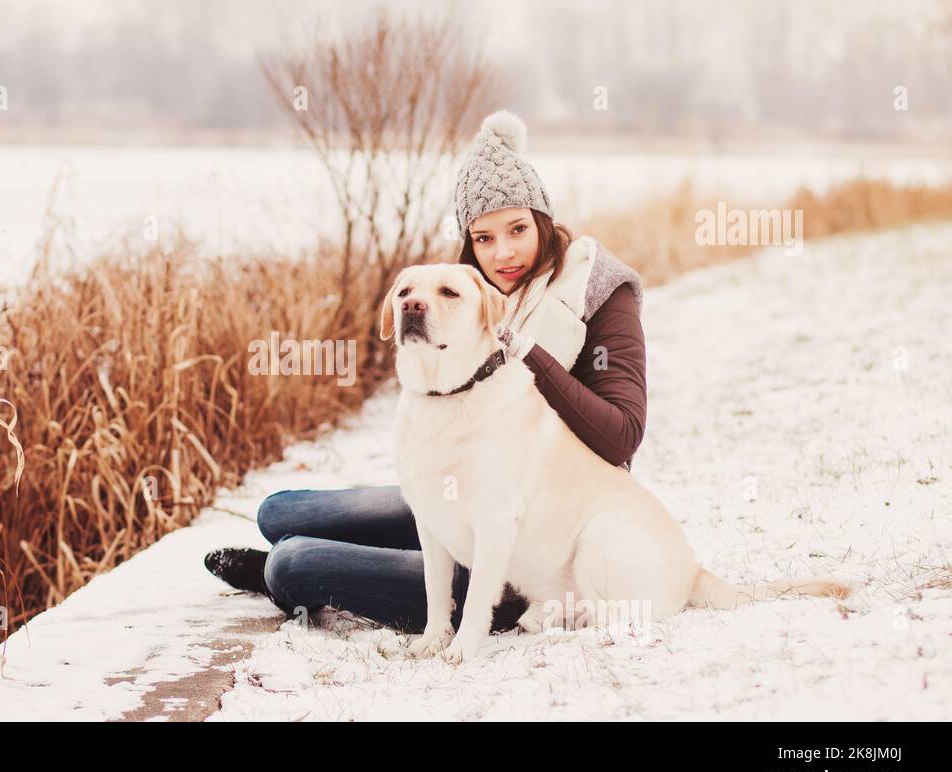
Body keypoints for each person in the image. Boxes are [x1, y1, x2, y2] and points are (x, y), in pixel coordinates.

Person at [203, 110, 648, 635]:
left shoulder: (600, 294)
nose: (502, 252)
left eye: (517, 229)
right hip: (461, 488)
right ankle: (346, 556)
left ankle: (299, 572)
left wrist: (527, 351)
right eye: (483, 238)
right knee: (278, 512)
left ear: (543, 221)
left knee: (290, 563)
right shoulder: (471, 296)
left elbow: (621, 438)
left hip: (536, 535)